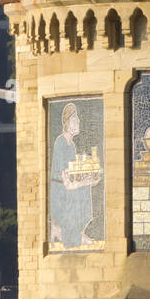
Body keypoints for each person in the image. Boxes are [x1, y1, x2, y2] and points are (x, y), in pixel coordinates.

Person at [50, 103, 100, 249]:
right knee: (80, 191)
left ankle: (79, 231)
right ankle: (71, 235)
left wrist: (85, 180)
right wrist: (80, 183)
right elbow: (64, 176)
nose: (78, 123)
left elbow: (73, 171)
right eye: (75, 120)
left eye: (77, 120)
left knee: (85, 189)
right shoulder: (60, 142)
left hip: (67, 184)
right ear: (68, 123)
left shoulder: (71, 145)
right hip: (59, 188)